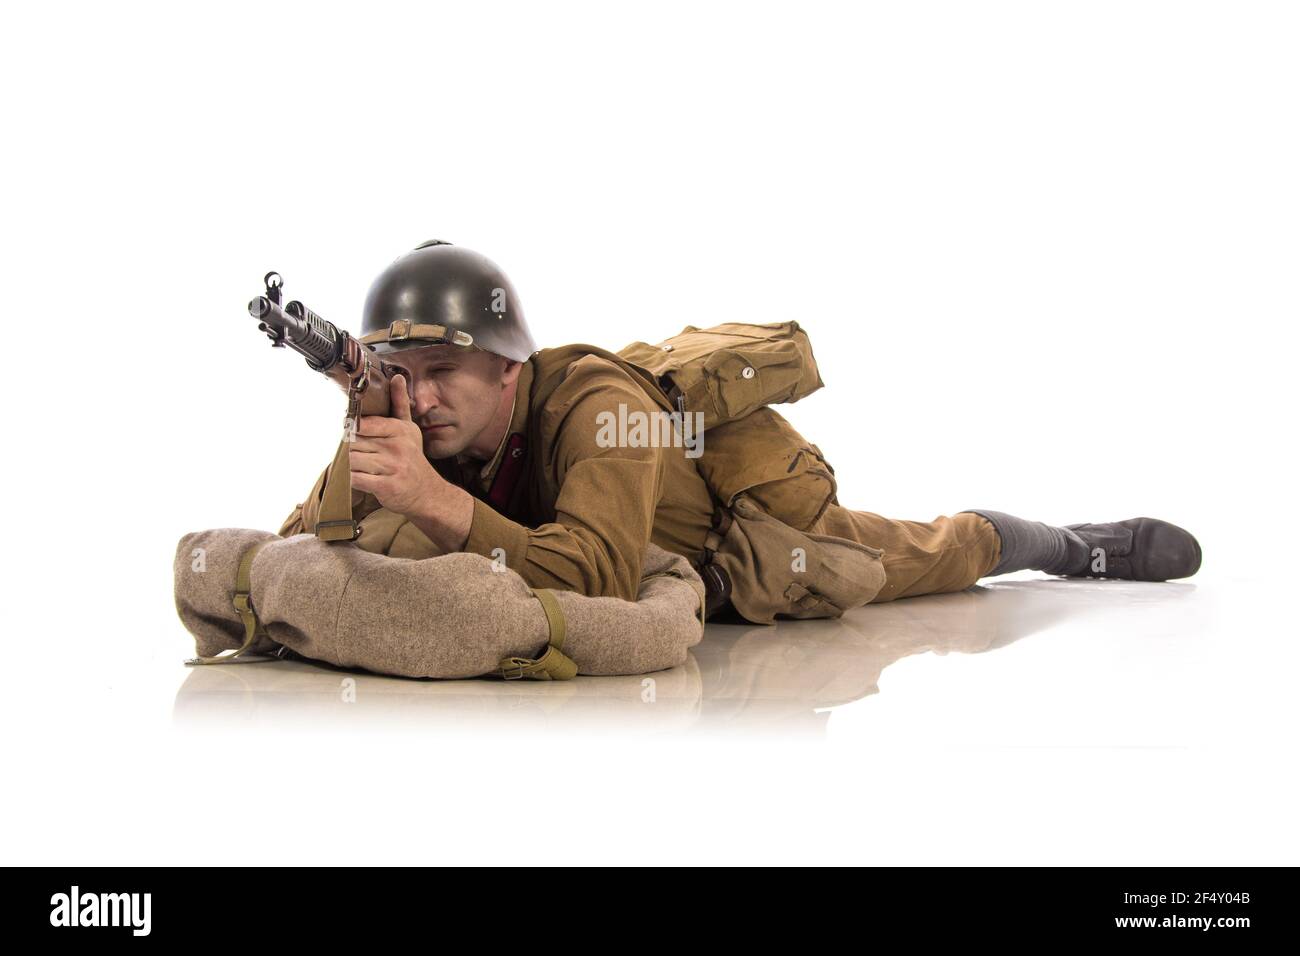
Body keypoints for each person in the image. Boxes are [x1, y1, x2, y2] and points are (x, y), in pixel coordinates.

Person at [279, 240, 1201, 621]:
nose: (423, 400)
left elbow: (595, 577)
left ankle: (1073, 546)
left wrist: (438, 502)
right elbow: (303, 548)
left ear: (510, 368)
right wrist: (366, 415)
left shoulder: (602, 408)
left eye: (443, 375)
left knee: (927, 555)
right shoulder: (422, 422)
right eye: (404, 376)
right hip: (645, 555)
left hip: (754, 522)